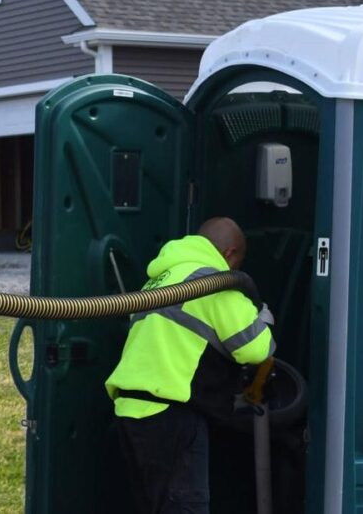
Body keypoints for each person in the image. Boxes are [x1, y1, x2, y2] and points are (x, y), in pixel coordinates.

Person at [105, 217, 275, 514]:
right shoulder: (215, 282)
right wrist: (262, 318)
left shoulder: (162, 277)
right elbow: (257, 349)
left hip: (130, 411)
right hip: (172, 415)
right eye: (237, 265)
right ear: (230, 254)